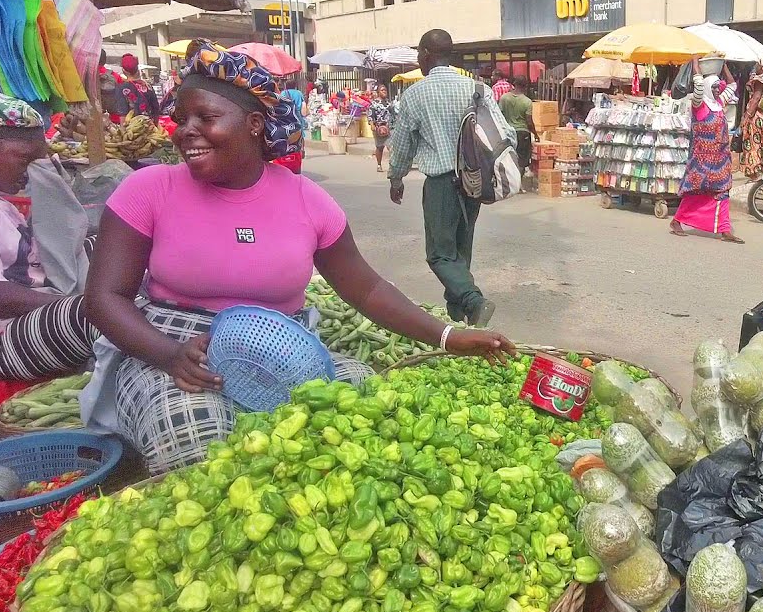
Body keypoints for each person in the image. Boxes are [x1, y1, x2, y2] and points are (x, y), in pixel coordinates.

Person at [83, 40, 514, 473]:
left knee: (368, 413)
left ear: (253, 124)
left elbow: (366, 289)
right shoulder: (149, 189)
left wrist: (448, 336)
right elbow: (104, 297)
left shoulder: (308, 201)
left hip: (282, 350)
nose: (185, 130)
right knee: (199, 444)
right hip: (178, 351)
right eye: (182, 118)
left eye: (206, 118)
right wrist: (167, 354)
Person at [0, 84, 97, 380]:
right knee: (99, 317)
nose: (31, 171)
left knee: (106, 249)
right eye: (25, 159)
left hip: (6, 322)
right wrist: (74, 306)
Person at [387, 29, 515, 327]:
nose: (418, 59)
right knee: (460, 250)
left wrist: (396, 178)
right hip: (474, 182)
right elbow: (505, 134)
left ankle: (475, 302)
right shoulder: (477, 89)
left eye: (419, 54)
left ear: (427, 55)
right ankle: (459, 316)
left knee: (440, 255)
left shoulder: (415, 94)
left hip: (441, 184)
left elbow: (403, 143)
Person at [669, 64, 744, 243]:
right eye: (715, 88)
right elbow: (699, 86)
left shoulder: (719, 104)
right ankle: (677, 221)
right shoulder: (699, 105)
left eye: (719, 87)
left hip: (720, 159)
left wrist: (723, 64)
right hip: (702, 160)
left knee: (723, 191)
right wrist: (696, 63)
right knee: (696, 192)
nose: (719, 91)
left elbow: (733, 86)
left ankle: (725, 230)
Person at [499, 75, 536, 173]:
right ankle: (518, 184)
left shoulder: (504, 98)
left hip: (507, 133)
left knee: (508, 159)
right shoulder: (527, 102)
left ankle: (510, 181)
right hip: (522, 133)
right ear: (525, 86)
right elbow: (529, 122)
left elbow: (499, 116)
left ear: (514, 84)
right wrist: (535, 134)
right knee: (521, 161)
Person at [275, 78, 308, 174]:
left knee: (287, 133)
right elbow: (302, 105)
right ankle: (301, 150)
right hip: (297, 116)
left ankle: (288, 150)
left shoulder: (283, 94)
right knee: (300, 134)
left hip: (287, 117)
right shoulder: (298, 93)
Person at [115, 53, 159, 120]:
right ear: (137, 69)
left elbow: (123, 114)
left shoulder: (121, 88)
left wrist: (123, 129)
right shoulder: (148, 86)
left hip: (132, 127)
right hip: (149, 126)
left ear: (123, 71)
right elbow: (156, 110)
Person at [368, 83, 395, 172]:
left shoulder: (389, 103)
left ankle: (392, 165)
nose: (384, 92)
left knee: (391, 147)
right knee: (380, 147)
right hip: (378, 129)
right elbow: (371, 116)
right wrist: (372, 125)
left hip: (389, 129)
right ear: (378, 92)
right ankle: (379, 165)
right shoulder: (374, 104)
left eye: (385, 90)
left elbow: (393, 115)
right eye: (382, 90)